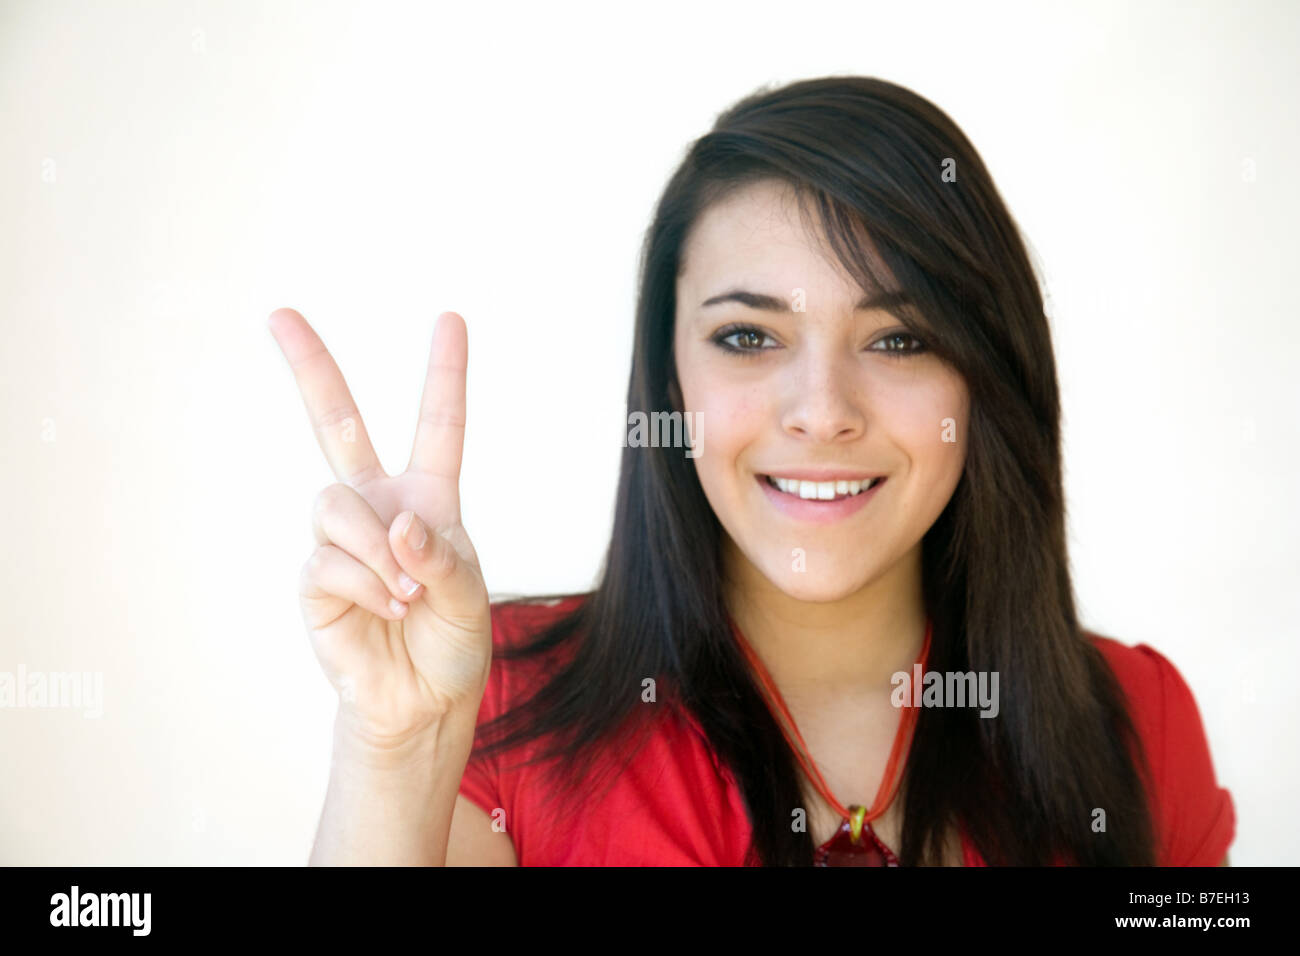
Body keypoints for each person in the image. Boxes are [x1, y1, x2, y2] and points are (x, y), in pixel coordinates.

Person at [269, 75, 1235, 866]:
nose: (821, 411)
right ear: (670, 372)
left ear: (985, 372)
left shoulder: (1140, 722)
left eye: (899, 340)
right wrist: (394, 752)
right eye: (747, 336)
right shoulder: (492, 701)